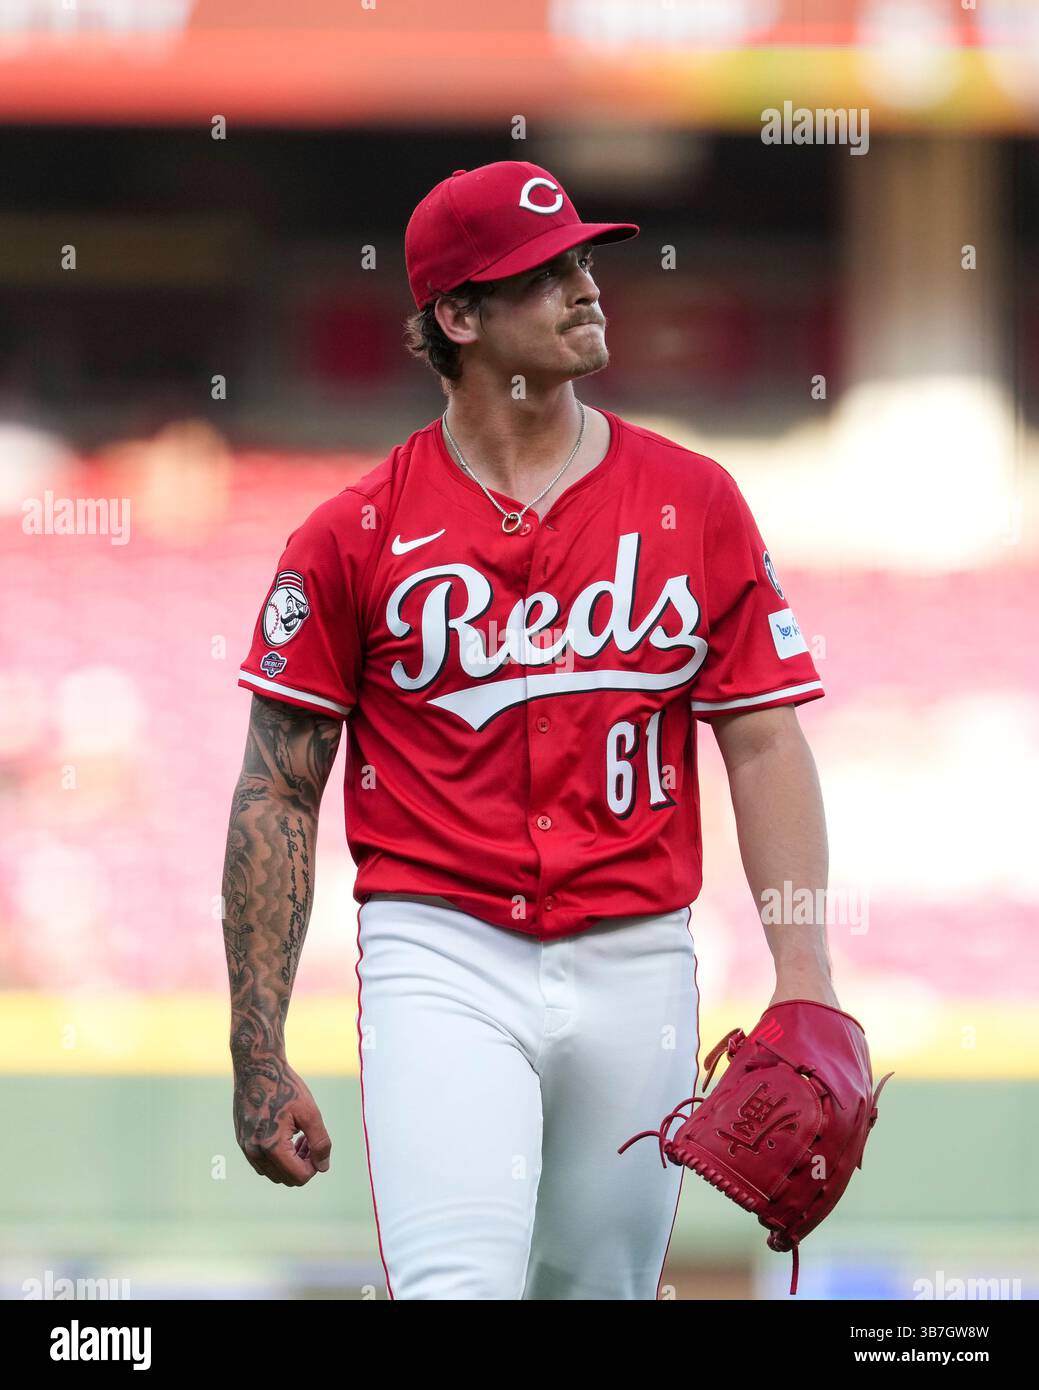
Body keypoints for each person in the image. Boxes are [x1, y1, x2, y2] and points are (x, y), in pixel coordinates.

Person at [220, 160, 837, 1300]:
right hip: (439, 949)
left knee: (595, 1293)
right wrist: (256, 1049)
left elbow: (762, 740)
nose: (585, 287)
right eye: (542, 273)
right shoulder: (351, 534)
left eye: (583, 261)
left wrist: (804, 973)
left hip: (639, 952)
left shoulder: (694, 499)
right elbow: (276, 790)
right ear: (457, 317)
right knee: (457, 1286)